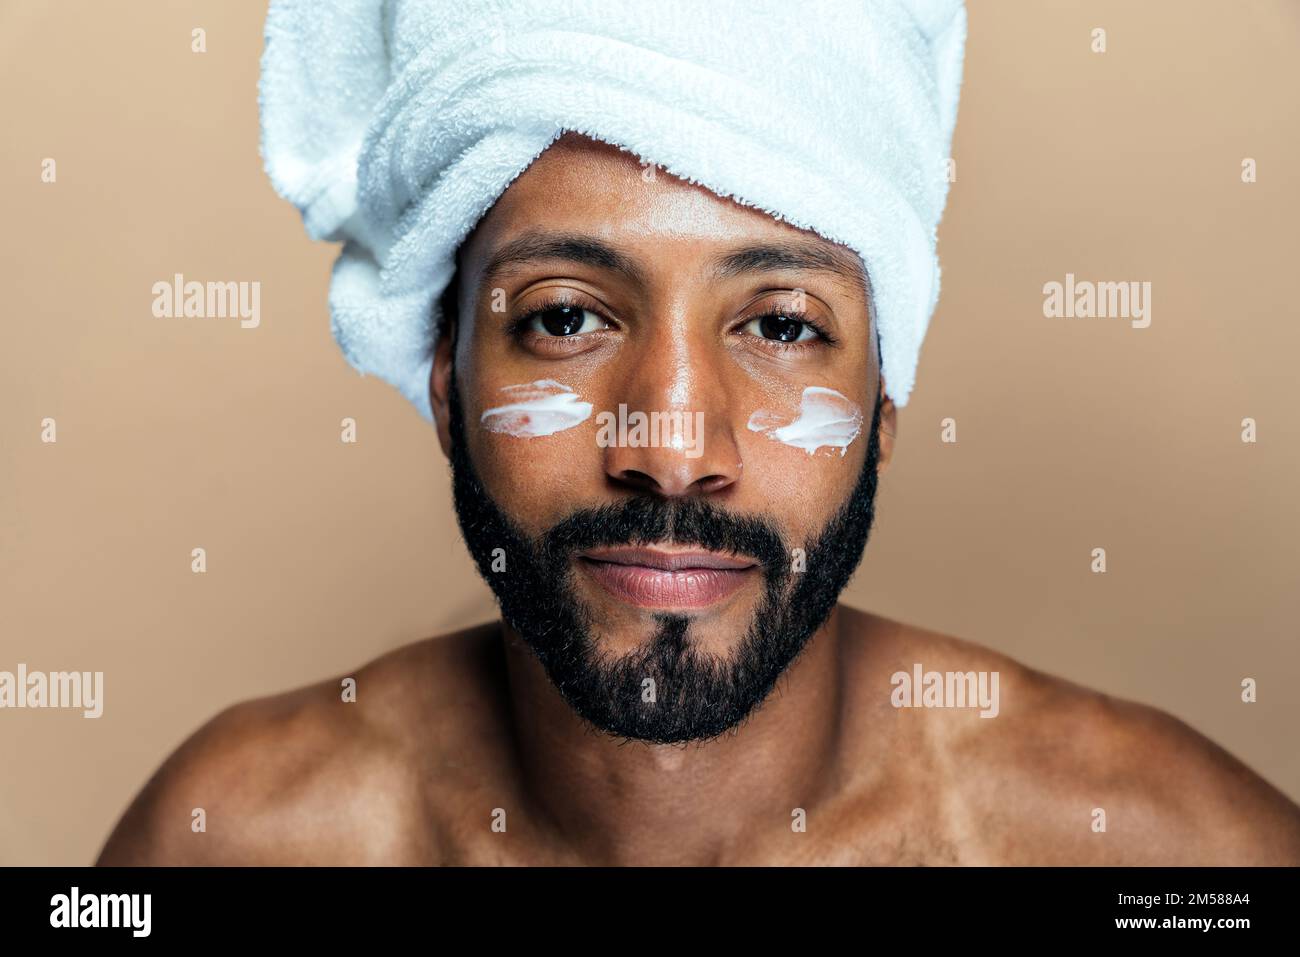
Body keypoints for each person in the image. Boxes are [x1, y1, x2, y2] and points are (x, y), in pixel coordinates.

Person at [98, 0, 1300, 865]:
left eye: (780, 327)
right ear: (447, 385)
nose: (672, 447)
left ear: (883, 408)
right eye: (565, 317)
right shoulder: (233, 838)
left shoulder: (1162, 857)